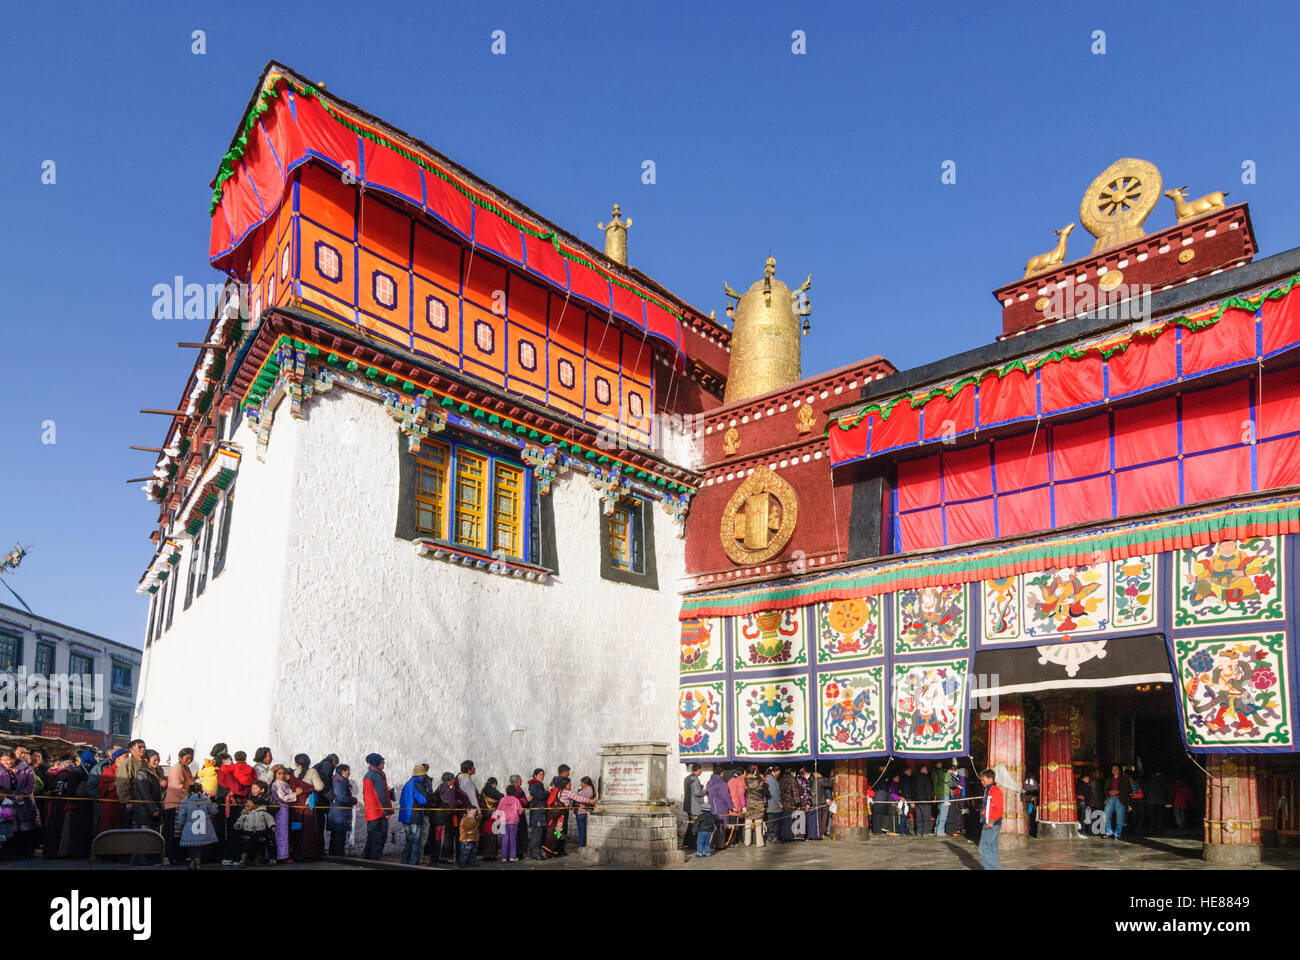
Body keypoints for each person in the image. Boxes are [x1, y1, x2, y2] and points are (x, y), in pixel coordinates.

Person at [0, 747, 39, 860]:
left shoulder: (26, 769)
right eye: (3, 760)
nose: (6, 763)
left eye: (9, 760)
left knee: (25, 828)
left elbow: (31, 784)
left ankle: (24, 852)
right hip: (4, 803)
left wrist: (23, 794)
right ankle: (6, 852)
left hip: (24, 803)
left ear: (14, 758)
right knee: (5, 828)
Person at [162, 748, 195, 865]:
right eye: (187, 758)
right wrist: (191, 797)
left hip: (182, 803)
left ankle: (179, 855)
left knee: (180, 832)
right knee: (173, 833)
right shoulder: (177, 768)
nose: (189, 760)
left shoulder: (186, 768)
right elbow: (177, 787)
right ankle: (172, 856)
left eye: (191, 758)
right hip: (174, 803)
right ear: (181, 757)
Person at [132, 750, 165, 865]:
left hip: (153, 808)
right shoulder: (142, 773)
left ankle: (145, 859)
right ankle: (140, 860)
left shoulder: (157, 771)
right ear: (147, 760)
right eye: (154, 760)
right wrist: (153, 809)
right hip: (144, 810)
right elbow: (144, 793)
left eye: (158, 759)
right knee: (143, 835)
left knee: (150, 835)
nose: (157, 762)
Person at [288, 755, 323, 860]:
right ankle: (307, 854)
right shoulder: (312, 771)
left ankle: (295, 852)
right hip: (308, 806)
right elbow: (319, 787)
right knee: (308, 830)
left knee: (296, 828)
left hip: (295, 807)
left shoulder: (292, 773)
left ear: (296, 763)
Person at [178, 782, 219, 869]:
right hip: (205, 828)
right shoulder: (206, 799)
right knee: (202, 846)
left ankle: (195, 859)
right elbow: (214, 811)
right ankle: (198, 860)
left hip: (190, 828)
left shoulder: (185, 800)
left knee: (192, 847)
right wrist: (215, 805)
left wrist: (180, 824)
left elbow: (182, 815)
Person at [397, 763, 430, 865]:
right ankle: (412, 864)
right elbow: (423, 800)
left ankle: (404, 862)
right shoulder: (418, 783)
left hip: (405, 815)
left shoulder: (408, 783)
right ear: (422, 774)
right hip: (415, 815)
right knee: (415, 842)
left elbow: (401, 800)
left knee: (409, 841)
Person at [361, 753, 391, 860]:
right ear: (378, 762)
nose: (384, 762)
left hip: (371, 811)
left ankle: (367, 858)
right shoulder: (377, 776)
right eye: (382, 761)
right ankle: (374, 860)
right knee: (379, 837)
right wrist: (387, 811)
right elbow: (381, 795)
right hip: (379, 812)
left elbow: (364, 795)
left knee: (372, 836)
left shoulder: (368, 775)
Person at [115, 739, 146, 831]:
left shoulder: (145, 763)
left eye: (144, 747)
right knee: (130, 830)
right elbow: (122, 782)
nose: (142, 749)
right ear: (131, 749)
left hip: (145, 803)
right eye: (139, 747)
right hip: (132, 803)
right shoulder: (128, 763)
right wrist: (127, 800)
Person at [700, 765, 731, 857]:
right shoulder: (722, 784)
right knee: (721, 826)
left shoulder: (709, 783)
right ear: (721, 773)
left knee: (714, 826)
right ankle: (720, 844)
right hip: (721, 806)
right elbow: (726, 796)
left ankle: (712, 844)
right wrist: (731, 806)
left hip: (712, 806)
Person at [234, 798, 275, 866]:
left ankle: (258, 860)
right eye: (247, 803)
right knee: (246, 846)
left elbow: (269, 819)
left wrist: (272, 826)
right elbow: (240, 819)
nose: (247, 804)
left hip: (260, 832)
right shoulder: (245, 812)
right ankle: (244, 860)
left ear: (257, 805)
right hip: (248, 832)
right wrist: (238, 824)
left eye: (249, 803)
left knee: (259, 846)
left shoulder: (263, 812)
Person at [326, 763, 356, 856]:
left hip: (338, 813)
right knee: (339, 835)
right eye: (348, 771)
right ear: (343, 772)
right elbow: (342, 797)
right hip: (339, 814)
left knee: (337, 835)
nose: (349, 773)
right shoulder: (338, 782)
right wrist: (353, 800)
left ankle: (334, 854)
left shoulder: (339, 780)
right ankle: (338, 855)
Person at [311, 753, 338, 854]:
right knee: (319, 824)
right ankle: (319, 850)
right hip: (320, 800)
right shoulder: (327, 765)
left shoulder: (320, 764)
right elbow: (325, 783)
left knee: (317, 825)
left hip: (316, 799)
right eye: (336, 765)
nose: (335, 768)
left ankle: (317, 849)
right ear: (334, 761)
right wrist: (331, 796)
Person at [270, 765, 297, 863]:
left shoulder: (284, 783)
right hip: (280, 810)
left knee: (284, 832)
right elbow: (284, 797)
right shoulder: (276, 784)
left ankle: (283, 855)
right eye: (279, 774)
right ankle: (281, 856)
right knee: (281, 833)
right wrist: (296, 794)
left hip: (285, 810)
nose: (282, 776)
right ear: (275, 775)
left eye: (284, 774)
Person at [978, 768, 1003, 870]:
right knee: (992, 848)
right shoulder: (988, 790)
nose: (981, 781)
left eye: (983, 779)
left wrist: (991, 821)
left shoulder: (995, 791)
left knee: (983, 848)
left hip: (991, 824)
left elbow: (999, 808)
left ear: (990, 778)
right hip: (990, 822)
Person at [498, 776, 525, 862]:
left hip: (503, 822)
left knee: (504, 839)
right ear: (514, 792)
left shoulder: (502, 800)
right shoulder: (516, 800)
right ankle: (512, 856)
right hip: (513, 822)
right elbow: (520, 811)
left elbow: (499, 811)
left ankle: (504, 857)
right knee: (513, 839)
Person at [1104, 764, 1131, 840]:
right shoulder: (1109, 779)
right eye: (1113, 769)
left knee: (1120, 818)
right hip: (1110, 799)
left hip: (1120, 799)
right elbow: (1105, 790)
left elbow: (1129, 789)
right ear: (1111, 771)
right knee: (1106, 816)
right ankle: (1109, 832)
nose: (1115, 770)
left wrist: (1118, 791)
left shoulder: (1125, 779)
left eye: (1116, 769)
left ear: (1119, 770)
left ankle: (1117, 834)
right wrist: (1109, 792)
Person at [527, 769, 549, 860]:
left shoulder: (537, 785)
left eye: (543, 774)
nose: (542, 776)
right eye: (540, 774)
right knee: (537, 835)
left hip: (539, 813)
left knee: (538, 834)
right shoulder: (536, 785)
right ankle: (535, 854)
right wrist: (548, 792)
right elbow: (540, 796)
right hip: (538, 814)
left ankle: (534, 853)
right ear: (535, 775)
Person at [480, 776, 503, 860]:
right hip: (492, 815)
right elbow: (501, 796)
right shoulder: (491, 789)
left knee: (487, 835)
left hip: (486, 815)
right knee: (491, 835)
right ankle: (490, 855)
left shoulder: (484, 790)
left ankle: (487, 854)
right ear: (494, 783)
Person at [743, 765, 766, 846]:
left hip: (749, 804)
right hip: (759, 804)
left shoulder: (745, 781)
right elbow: (764, 792)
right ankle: (759, 843)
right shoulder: (760, 781)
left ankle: (747, 842)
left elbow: (742, 793)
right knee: (758, 825)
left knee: (748, 824)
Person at [682, 763, 703, 850]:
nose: (701, 771)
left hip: (688, 805)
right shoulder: (696, 780)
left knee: (691, 824)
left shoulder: (687, 778)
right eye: (701, 770)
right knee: (695, 825)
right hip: (695, 806)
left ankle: (686, 842)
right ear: (698, 770)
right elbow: (697, 793)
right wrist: (705, 791)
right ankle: (692, 844)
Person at [573, 776, 597, 847]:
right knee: (582, 829)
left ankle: (581, 845)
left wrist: (577, 803)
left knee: (581, 830)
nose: (581, 784)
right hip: (583, 811)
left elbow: (582, 800)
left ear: (586, 783)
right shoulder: (590, 789)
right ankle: (582, 844)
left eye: (582, 783)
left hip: (582, 811)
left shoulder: (587, 790)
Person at [727, 767, 747, 846]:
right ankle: (734, 841)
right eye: (745, 773)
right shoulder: (741, 782)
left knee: (731, 824)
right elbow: (741, 795)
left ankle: (730, 841)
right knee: (736, 825)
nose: (746, 775)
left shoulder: (730, 781)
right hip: (737, 806)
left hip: (730, 805)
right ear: (742, 774)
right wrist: (744, 806)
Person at [932, 762, 952, 836]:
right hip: (944, 794)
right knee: (944, 813)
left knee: (941, 812)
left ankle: (937, 829)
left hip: (938, 794)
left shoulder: (933, 772)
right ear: (938, 764)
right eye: (940, 764)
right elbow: (946, 779)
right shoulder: (940, 771)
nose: (941, 765)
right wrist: (948, 773)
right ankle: (940, 831)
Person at [764, 766, 782, 841]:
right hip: (774, 805)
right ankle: (774, 836)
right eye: (777, 773)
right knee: (776, 822)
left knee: (771, 821)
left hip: (770, 805)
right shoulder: (771, 780)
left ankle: (769, 836)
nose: (778, 775)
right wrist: (779, 803)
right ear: (773, 772)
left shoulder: (769, 779)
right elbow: (774, 793)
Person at [1127, 768, 1146, 838]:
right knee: (1140, 815)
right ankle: (1138, 829)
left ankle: (1133, 829)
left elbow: (1130, 789)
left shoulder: (1130, 779)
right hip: (1140, 798)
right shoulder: (1141, 780)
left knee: (1134, 815)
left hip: (1133, 799)